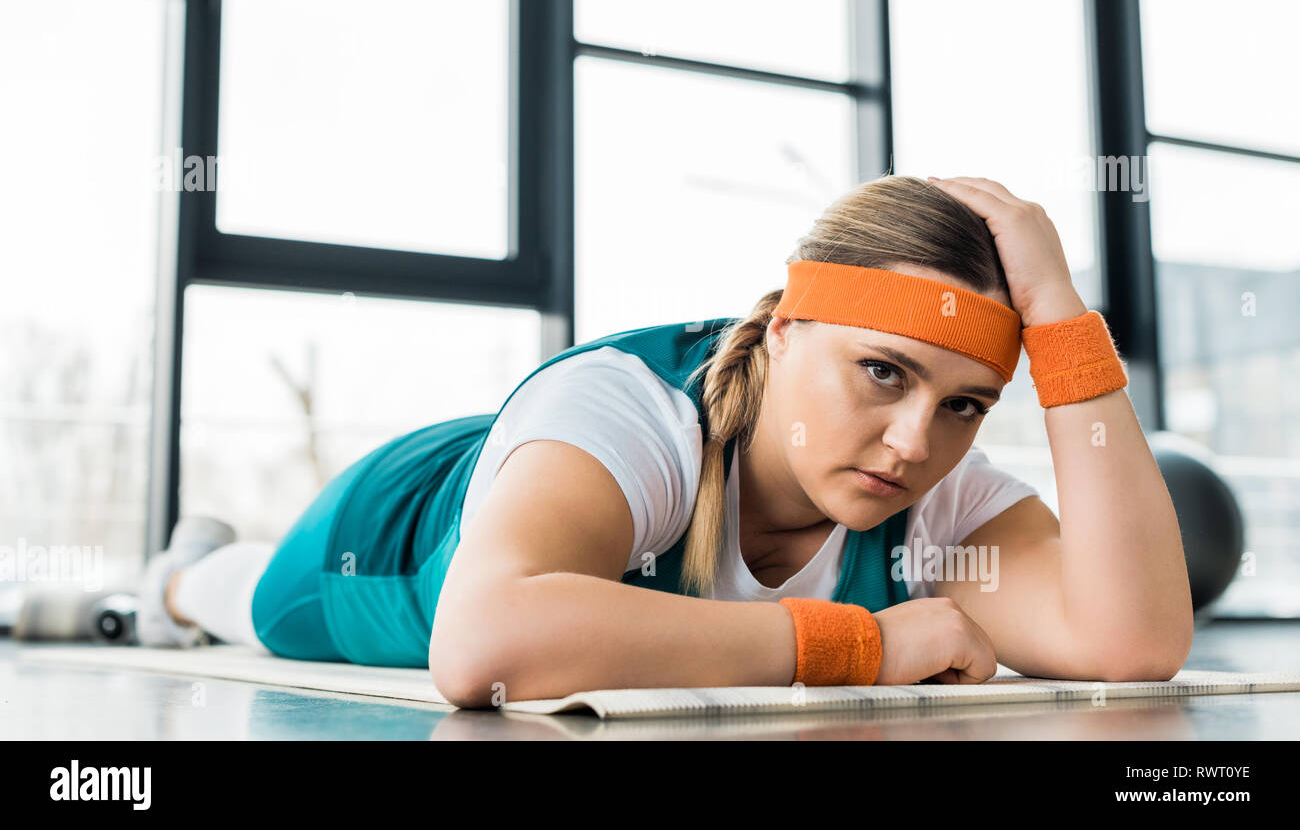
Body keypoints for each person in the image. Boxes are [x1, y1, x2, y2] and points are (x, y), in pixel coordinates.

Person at [137, 174, 1195, 708]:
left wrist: (1063, 320)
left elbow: (1130, 644)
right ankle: (183, 573)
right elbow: (486, 648)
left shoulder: (938, 498)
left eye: (966, 404)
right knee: (249, 604)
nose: (916, 440)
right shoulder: (632, 410)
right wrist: (863, 646)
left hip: (552, 474)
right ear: (784, 332)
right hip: (402, 522)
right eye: (882, 372)